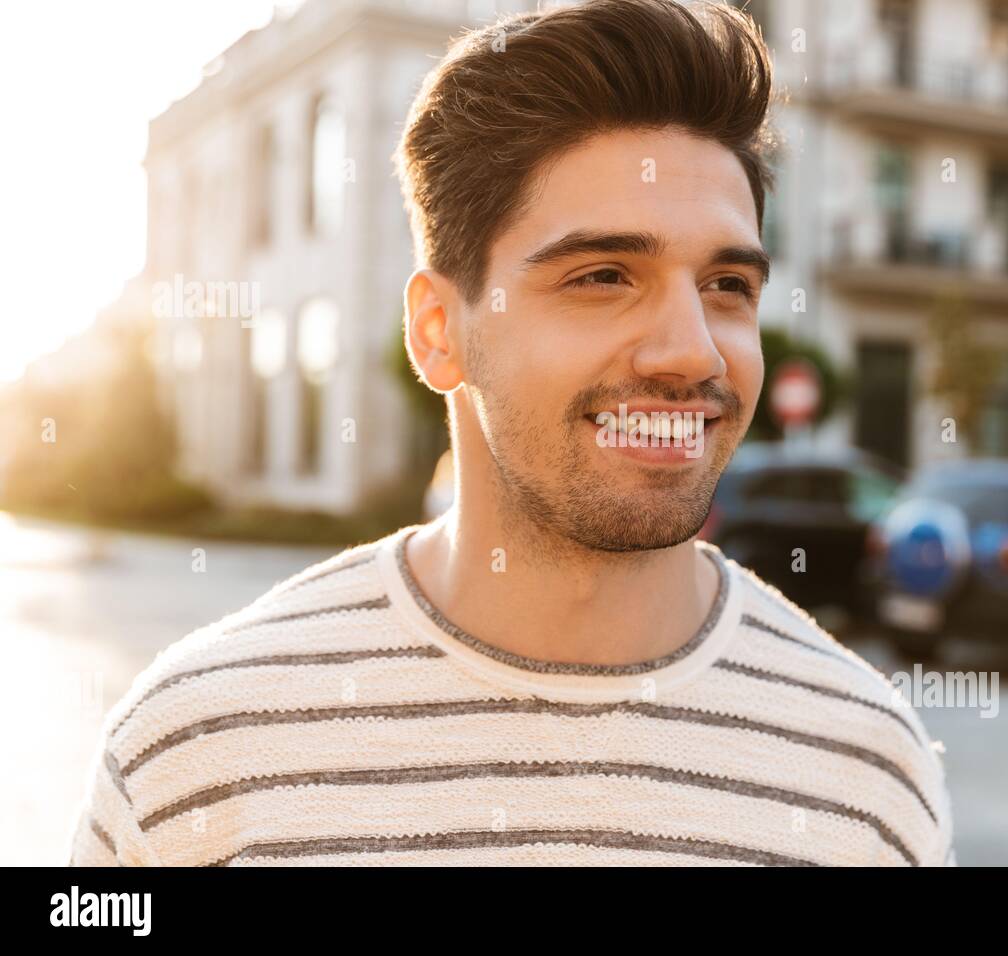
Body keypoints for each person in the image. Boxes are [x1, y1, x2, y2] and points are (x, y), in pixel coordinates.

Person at [68, 0, 953, 867]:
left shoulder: (869, 770)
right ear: (439, 331)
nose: (692, 351)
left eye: (728, 285)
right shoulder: (194, 752)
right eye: (605, 274)